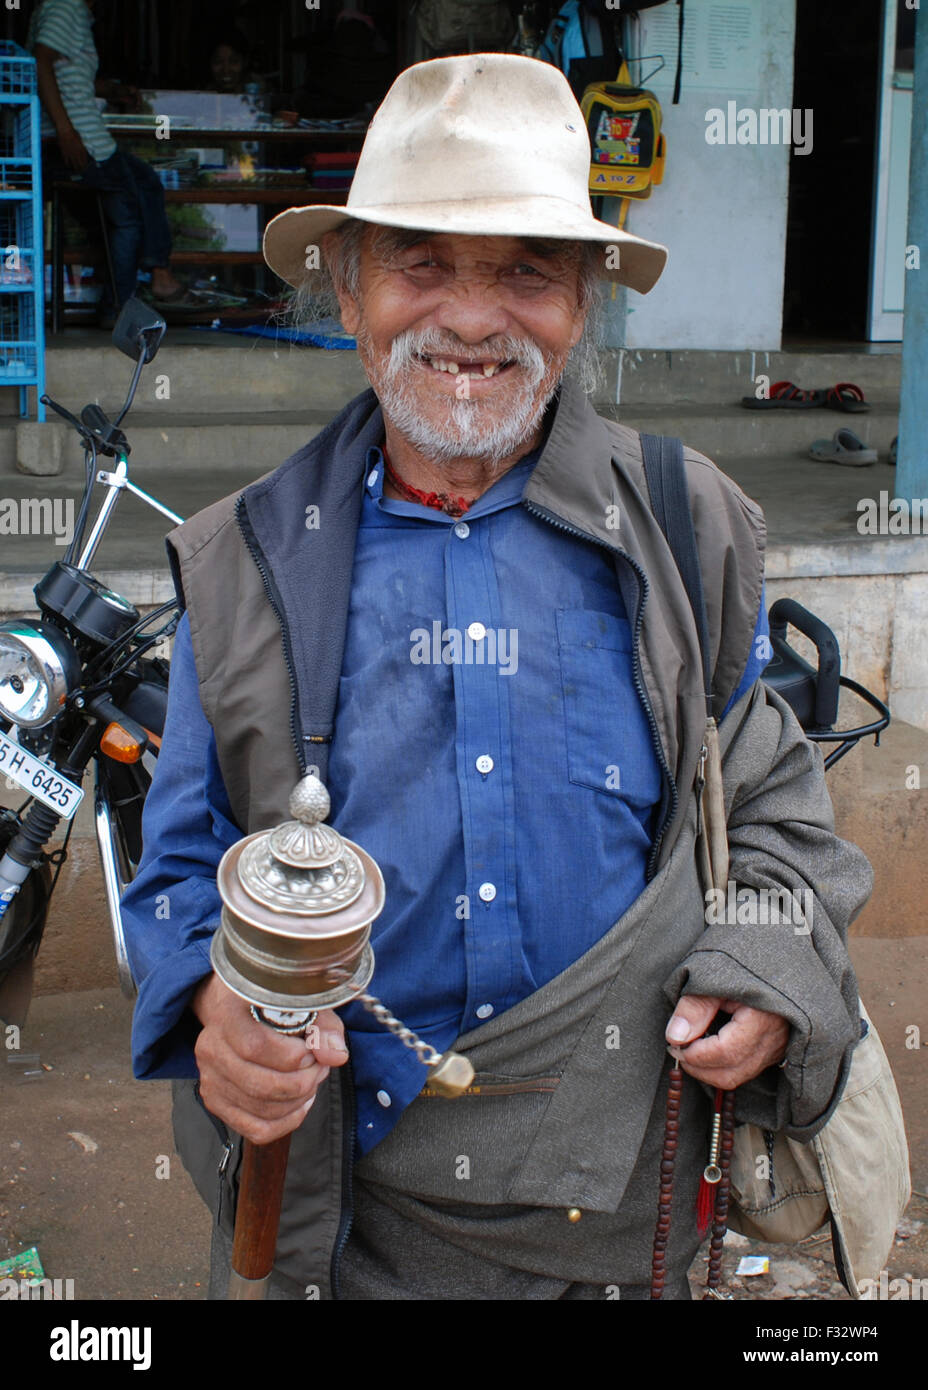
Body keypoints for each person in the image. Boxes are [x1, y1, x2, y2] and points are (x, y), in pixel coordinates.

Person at [120, 54, 872, 1301]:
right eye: (421, 265)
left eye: (526, 271)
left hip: (625, 1228)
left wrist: (768, 973)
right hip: (348, 1228)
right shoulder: (248, 561)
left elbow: (775, 823)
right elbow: (183, 866)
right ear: (350, 294)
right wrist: (216, 1001)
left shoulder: (689, 528)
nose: (471, 321)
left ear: (583, 303)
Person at [28, 0, 191, 324]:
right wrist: (64, 131)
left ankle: (155, 276)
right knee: (126, 215)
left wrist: (111, 90)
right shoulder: (66, 7)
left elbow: (67, 75)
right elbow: (40, 62)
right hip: (80, 142)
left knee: (144, 182)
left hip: (83, 138)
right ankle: (122, 305)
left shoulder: (70, 12)